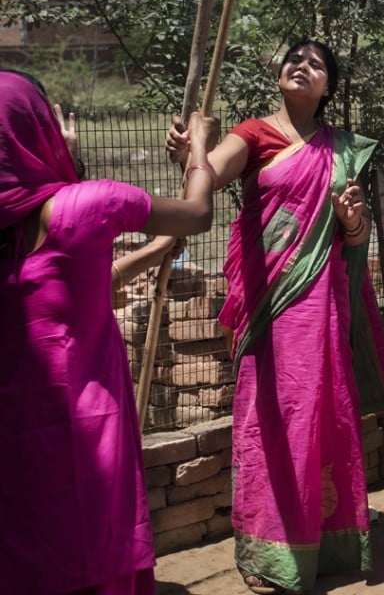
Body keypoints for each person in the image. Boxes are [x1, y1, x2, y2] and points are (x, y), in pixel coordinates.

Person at [166, 39, 384, 595]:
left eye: (317, 64)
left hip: (321, 305)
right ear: (279, 75)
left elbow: (354, 240)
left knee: (321, 415)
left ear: (328, 86)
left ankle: (326, 543)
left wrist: (352, 224)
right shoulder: (252, 134)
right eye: (295, 59)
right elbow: (206, 179)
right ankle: (271, 552)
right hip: (269, 307)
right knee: (269, 418)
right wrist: (193, 149)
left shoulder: (341, 150)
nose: (304, 66)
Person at [0, 70, 217, 595]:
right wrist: (200, 148)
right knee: (91, 549)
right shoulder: (87, 205)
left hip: (14, 434)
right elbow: (198, 212)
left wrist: (149, 252)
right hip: (85, 425)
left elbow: (77, 283)